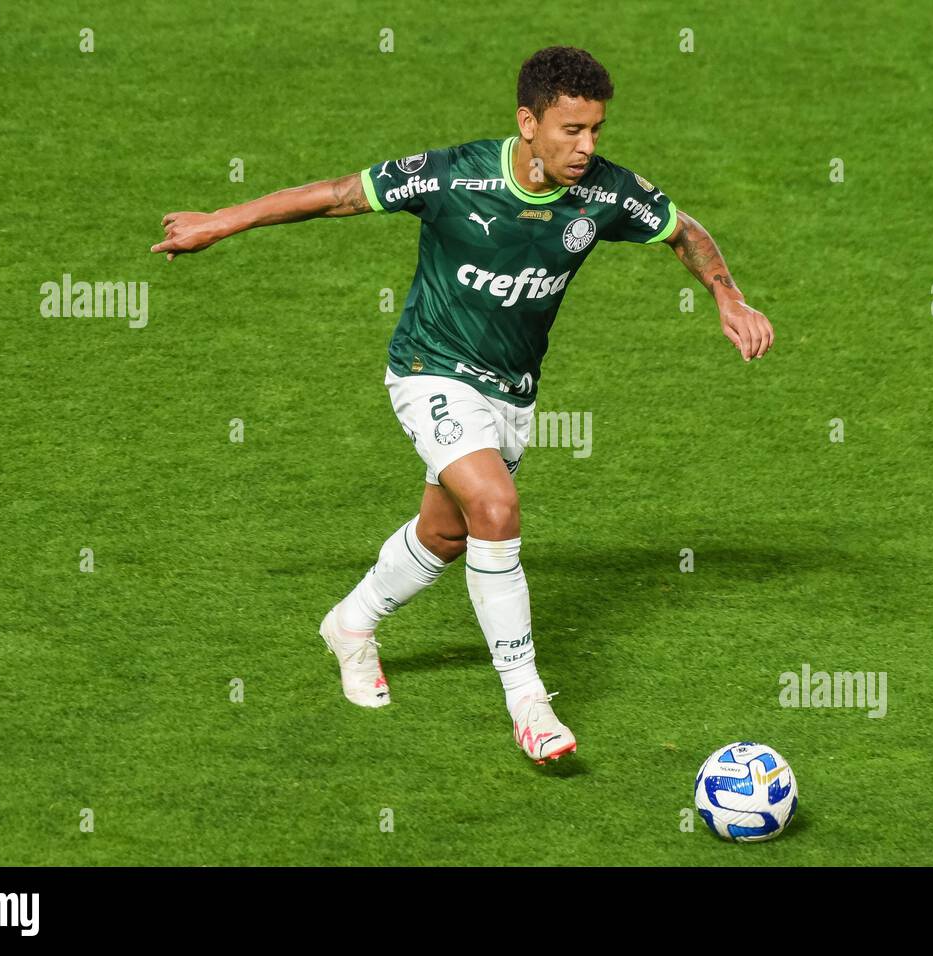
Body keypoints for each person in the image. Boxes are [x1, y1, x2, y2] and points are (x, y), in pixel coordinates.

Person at [150, 46, 774, 765]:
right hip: (429, 370)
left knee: (446, 536)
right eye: (571, 130)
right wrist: (221, 221)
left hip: (512, 393)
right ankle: (529, 702)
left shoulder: (606, 194)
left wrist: (727, 293)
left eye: (596, 129)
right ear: (528, 121)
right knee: (497, 509)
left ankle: (351, 624)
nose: (587, 146)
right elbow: (335, 194)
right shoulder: (455, 174)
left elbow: (684, 230)